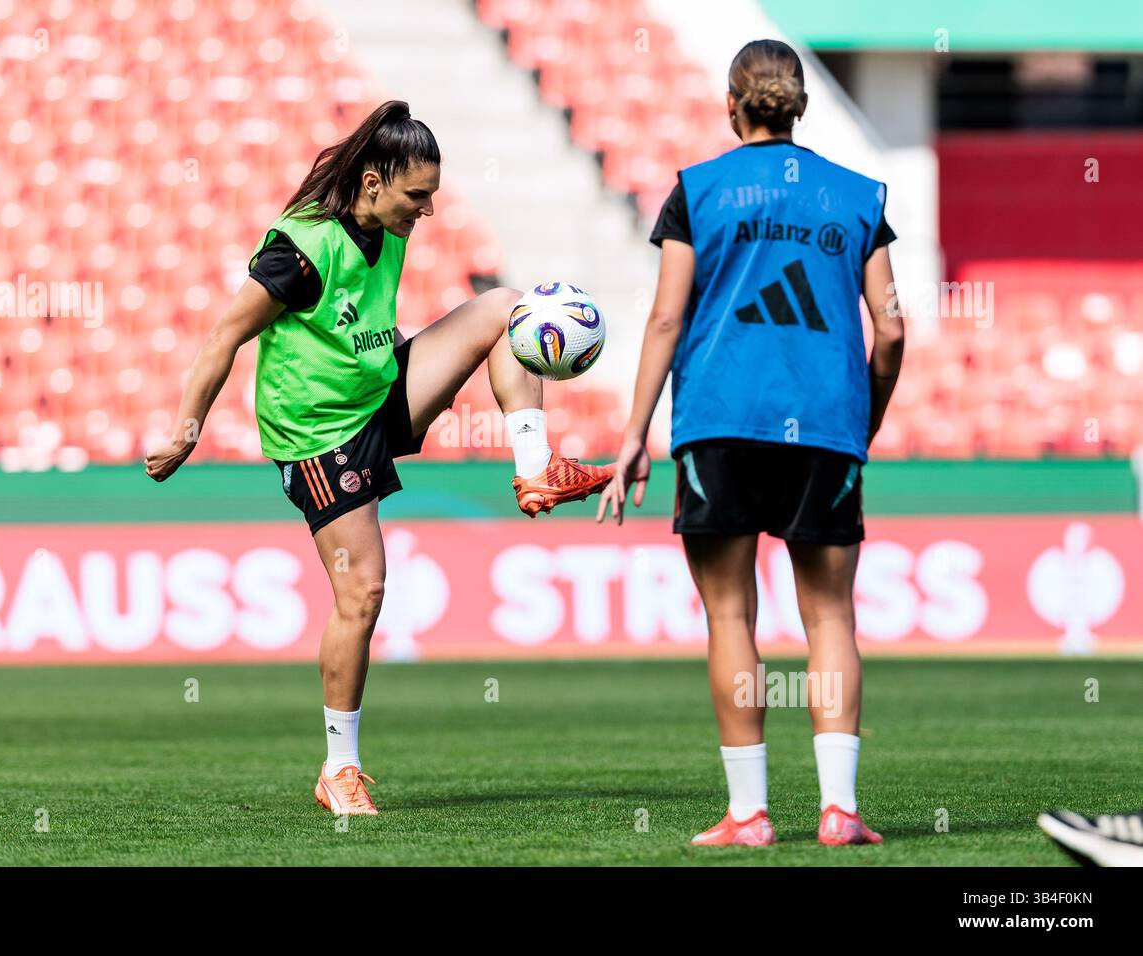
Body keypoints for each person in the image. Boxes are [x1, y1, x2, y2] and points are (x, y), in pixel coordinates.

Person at [145, 101, 612, 816]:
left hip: (378, 390)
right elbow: (222, 337)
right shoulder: (300, 249)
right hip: (317, 435)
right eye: (415, 195)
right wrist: (186, 428)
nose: (426, 210)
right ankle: (338, 768)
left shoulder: (385, 225)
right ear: (371, 183)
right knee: (362, 593)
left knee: (506, 308)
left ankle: (534, 464)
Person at [597, 40, 904, 846]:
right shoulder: (860, 196)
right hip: (827, 425)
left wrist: (634, 434)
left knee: (731, 615)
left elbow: (666, 318)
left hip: (721, 420)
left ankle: (751, 814)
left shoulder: (699, 191)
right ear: (798, 105)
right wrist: (862, 418)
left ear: (731, 106)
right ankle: (839, 811)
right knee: (830, 616)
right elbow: (893, 329)